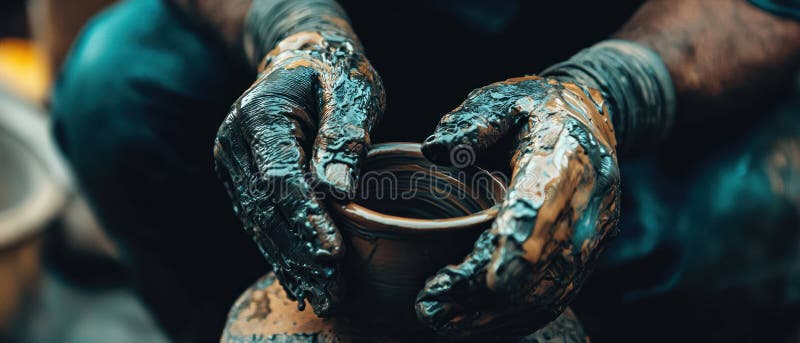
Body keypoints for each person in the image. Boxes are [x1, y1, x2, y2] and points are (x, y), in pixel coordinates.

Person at [51, 0, 800, 341]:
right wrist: (291, 29)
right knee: (115, 83)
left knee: (765, 209)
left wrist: (609, 90)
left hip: (616, 54)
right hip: (357, 46)